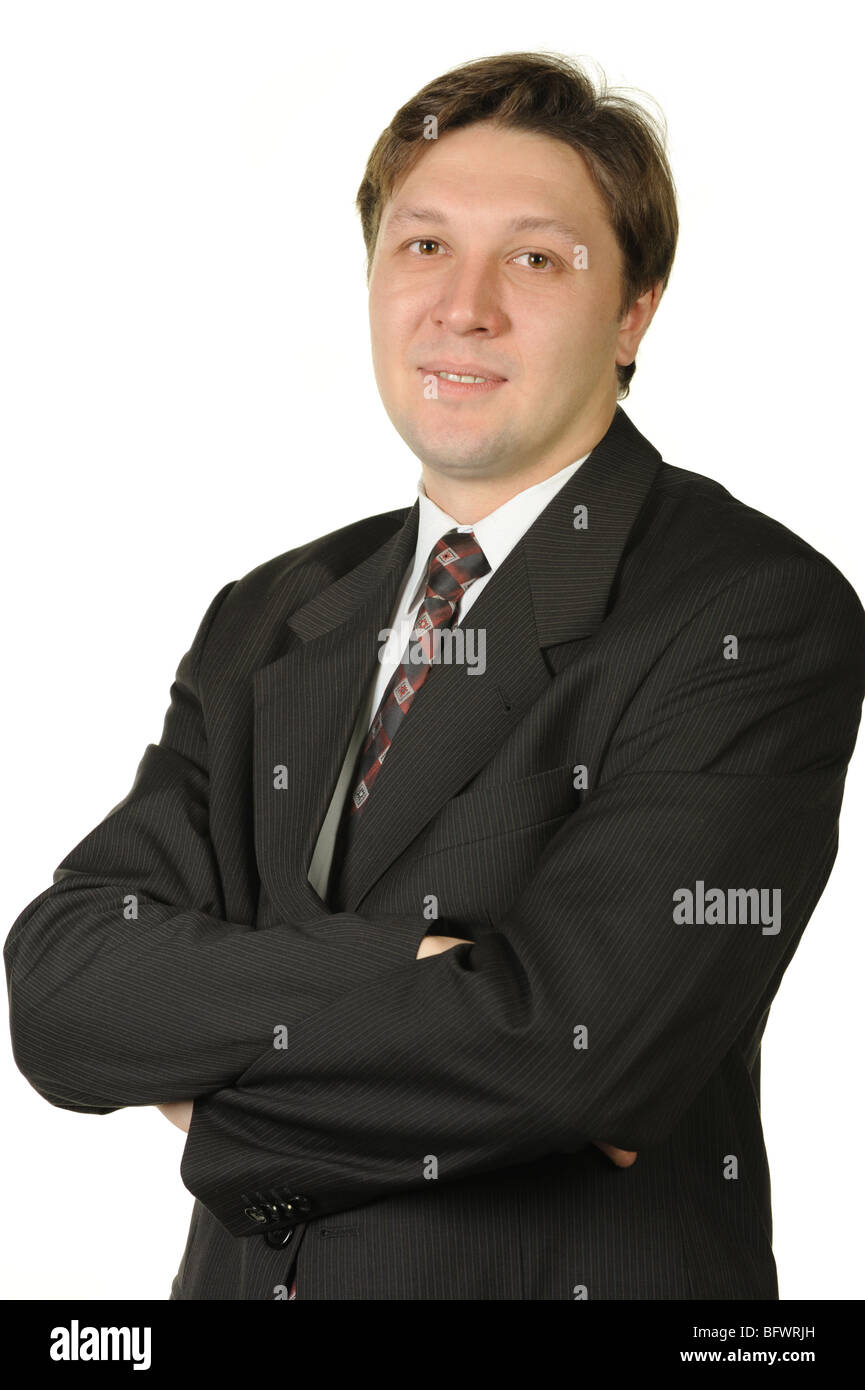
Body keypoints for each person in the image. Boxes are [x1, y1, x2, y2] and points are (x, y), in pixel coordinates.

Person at [6, 51, 865, 1301]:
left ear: (634, 313)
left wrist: (214, 1092)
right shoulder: (268, 614)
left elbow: (568, 1056)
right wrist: (406, 969)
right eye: (420, 247)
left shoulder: (747, 611)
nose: (463, 306)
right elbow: (65, 988)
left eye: (535, 258)